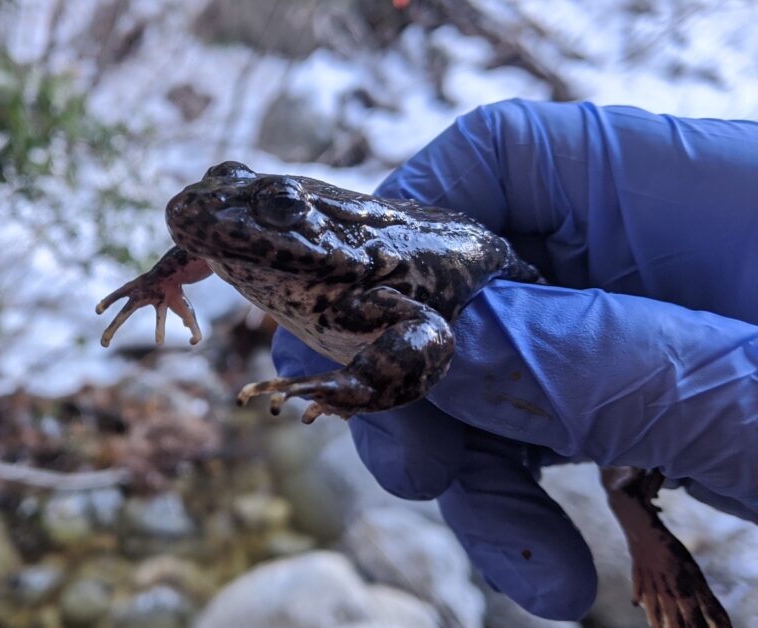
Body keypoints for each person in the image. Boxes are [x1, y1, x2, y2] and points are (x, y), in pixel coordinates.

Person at [271, 99, 758, 620]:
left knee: (628, 453)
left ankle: (637, 514)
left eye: (280, 206)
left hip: (524, 311)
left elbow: (429, 334)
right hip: (516, 357)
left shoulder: (364, 285)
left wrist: (360, 386)